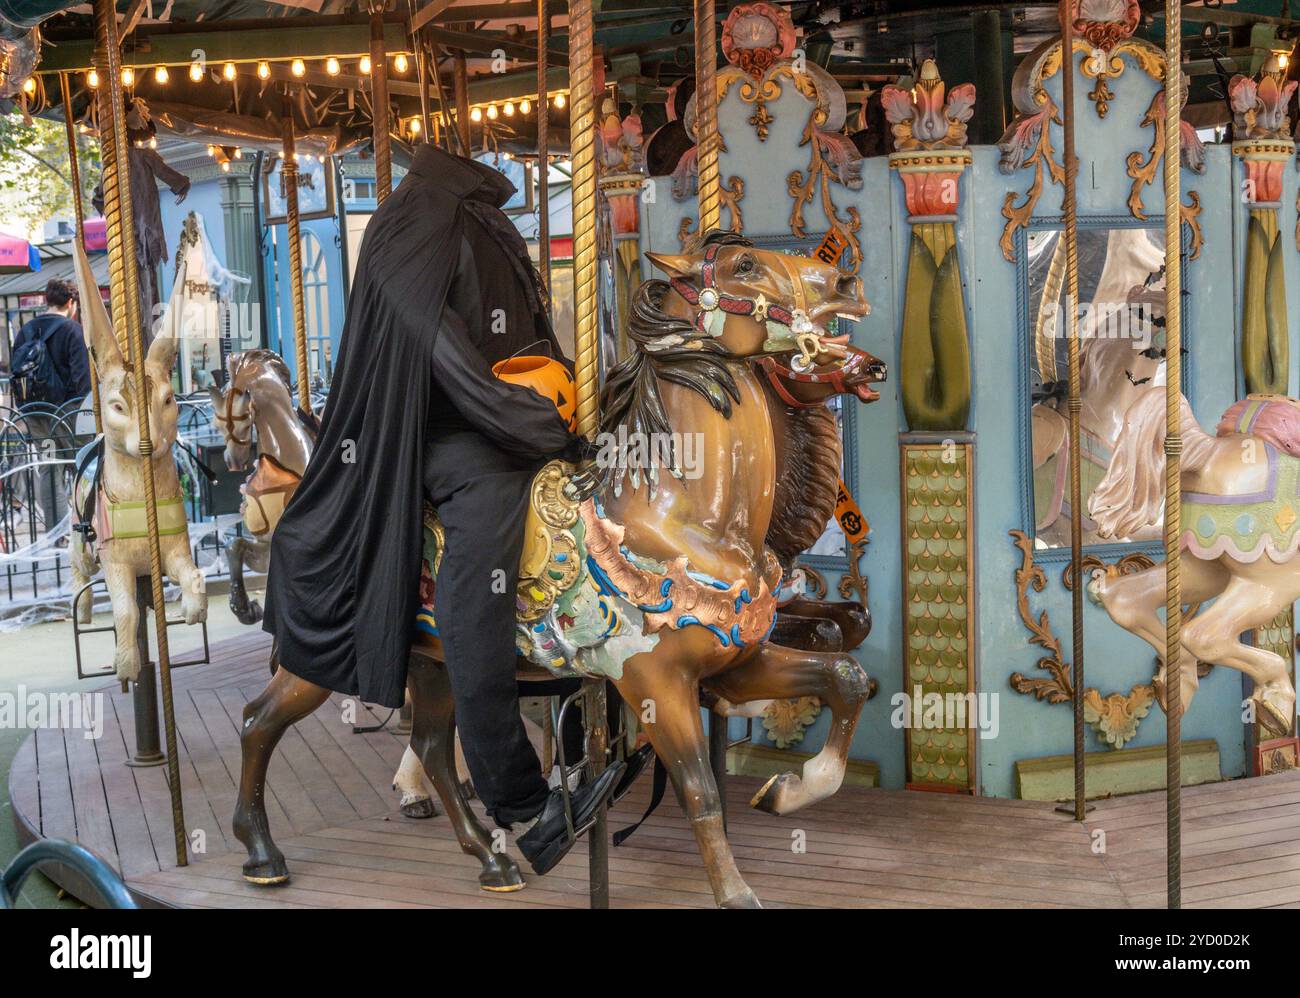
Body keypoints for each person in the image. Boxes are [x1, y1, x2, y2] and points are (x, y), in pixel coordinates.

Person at [262, 145, 623, 875]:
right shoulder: (420, 222)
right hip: (443, 437)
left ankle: (601, 722)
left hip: (510, 421)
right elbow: (444, 359)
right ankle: (519, 797)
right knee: (481, 557)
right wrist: (527, 424)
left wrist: (569, 420)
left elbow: (530, 341)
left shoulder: (483, 220)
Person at [10, 277, 90, 532]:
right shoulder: (72, 331)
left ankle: (59, 534)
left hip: (35, 414)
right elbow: (82, 379)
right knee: (83, 465)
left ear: (47, 300)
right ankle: (87, 526)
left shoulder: (26, 331)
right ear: (71, 302)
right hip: (68, 412)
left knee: (49, 469)